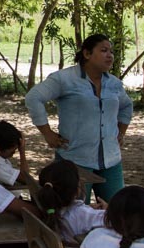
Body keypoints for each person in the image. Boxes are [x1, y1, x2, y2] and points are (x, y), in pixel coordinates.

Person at [24, 34, 134, 201]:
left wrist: (121, 133)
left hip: (111, 160)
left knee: (116, 211)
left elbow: (126, 106)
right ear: (87, 54)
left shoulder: (114, 83)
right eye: (104, 50)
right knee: (75, 212)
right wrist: (47, 133)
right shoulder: (64, 79)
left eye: (111, 51)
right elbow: (33, 97)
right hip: (74, 160)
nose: (110, 55)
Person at [33, 158, 105, 248]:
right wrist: (109, 209)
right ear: (77, 190)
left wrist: (88, 209)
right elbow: (118, 219)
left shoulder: (50, 209)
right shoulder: (83, 214)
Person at [0, 121, 29, 188]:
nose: (12, 155)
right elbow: (26, 178)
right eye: (12, 152)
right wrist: (22, 152)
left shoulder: (1, 159)